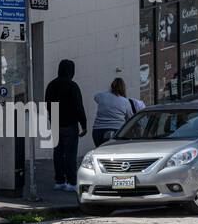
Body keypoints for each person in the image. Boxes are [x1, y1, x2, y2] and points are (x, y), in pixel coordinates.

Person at [44, 59, 86, 191]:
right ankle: (72, 182)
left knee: (58, 153)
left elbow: (48, 104)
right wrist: (83, 124)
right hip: (70, 124)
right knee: (70, 154)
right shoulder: (72, 86)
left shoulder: (51, 85)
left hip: (56, 123)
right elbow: (79, 106)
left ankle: (59, 180)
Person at [93, 77, 141, 148]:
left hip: (97, 131)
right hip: (116, 131)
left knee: (101, 152)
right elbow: (130, 119)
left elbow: (95, 97)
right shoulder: (125, 101)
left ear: (112, 86)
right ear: (123, 88)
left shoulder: (102, 96)